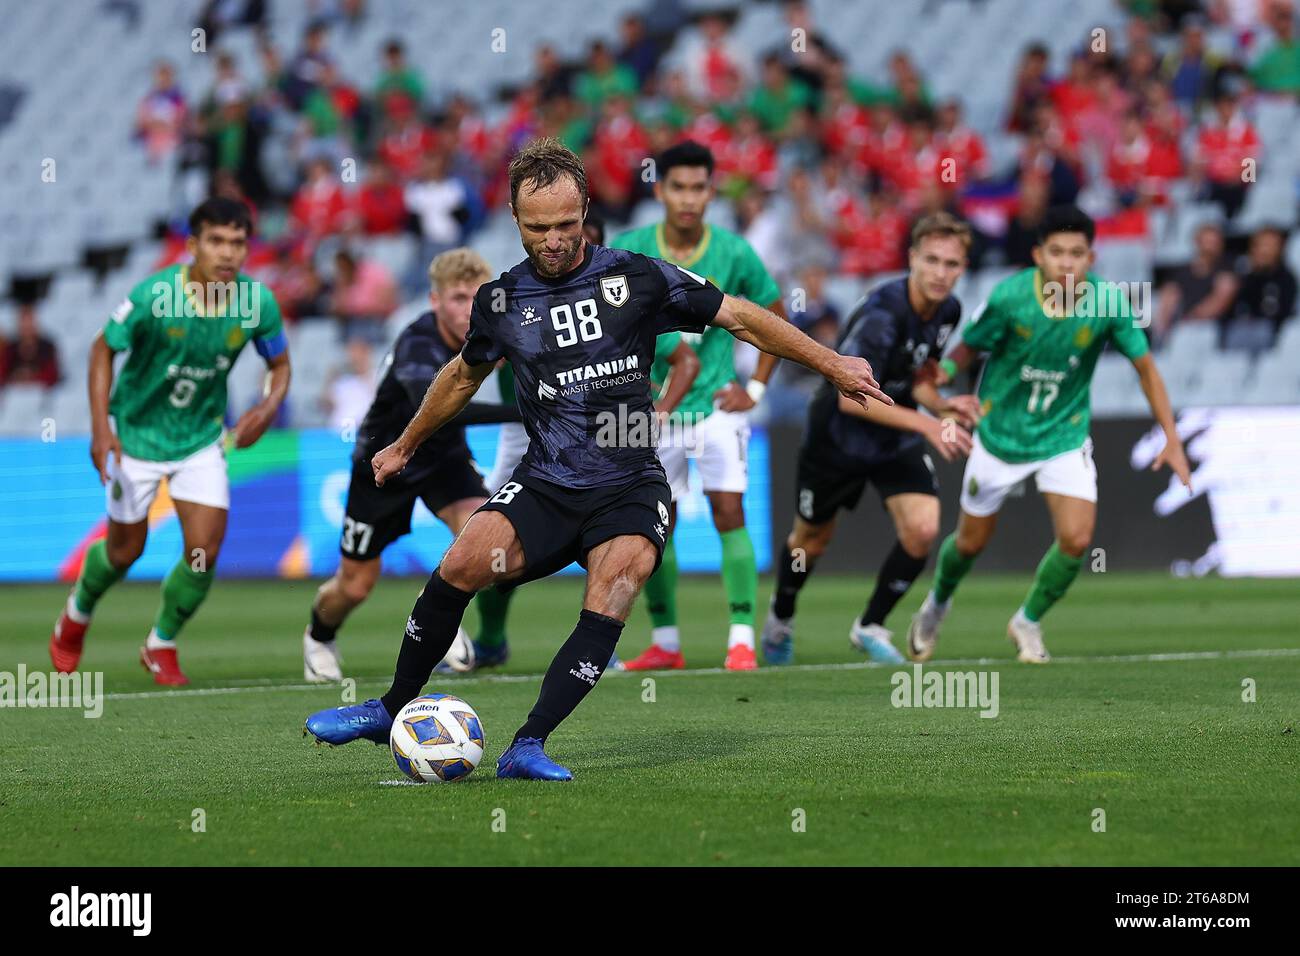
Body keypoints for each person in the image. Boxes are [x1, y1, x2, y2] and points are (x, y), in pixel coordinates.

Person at [303, 137, 888, 780]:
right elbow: (461, 379)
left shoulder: (637, 278)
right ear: (515, 220)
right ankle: (391, 706)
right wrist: (405, 444)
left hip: (629, 482)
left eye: (564, 224)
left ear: (584, 209)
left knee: (616, 583)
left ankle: (528, 743)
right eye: (536, 228)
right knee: (462, 563)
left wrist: (833, 364)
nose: (552, 240)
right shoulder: (500, 302)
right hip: (547, 482)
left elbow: (742, 317)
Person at [910, 207, 1191, 664]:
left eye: (1077, 254)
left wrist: (1172, 438)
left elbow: (1146, 370)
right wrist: (941, 373)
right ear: (1039, 254)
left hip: (1064, 434)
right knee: (969, 543)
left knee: (1077, 540)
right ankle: (937, 603)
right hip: (1000, 434)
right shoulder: (1010, 297)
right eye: (1057, 252)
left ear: (1091, 258)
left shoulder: (1109, 303)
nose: (1066, 263)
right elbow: (970, 344)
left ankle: (1028, 620)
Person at [49, 198, 291, 685]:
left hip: (200, 441)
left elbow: (279, 366)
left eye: (238, 243)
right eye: (217, 241)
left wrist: (266, 408)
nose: (228, 254)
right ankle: (77, 612)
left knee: (203, 552)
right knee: (123, 553)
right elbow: (102, 349)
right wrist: (102, 428)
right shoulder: (155, 295)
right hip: (136, 440)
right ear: (193, 245)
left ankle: (161, 641)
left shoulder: (257, 303)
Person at [461, 214, 702, 672]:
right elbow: (477, 364)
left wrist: (662, 410)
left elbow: (684, 358)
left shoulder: (622, 294)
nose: (558, 247)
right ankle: (491, 638)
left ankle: (621, 641)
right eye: (546, 235)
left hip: (609, 431)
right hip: (529, 432)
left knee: (623, 536)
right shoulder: (520, 298)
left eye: (575, 239)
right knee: (489, 543)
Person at [763, 214, 980, 664]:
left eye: (952, 264)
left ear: (962, 268)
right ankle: (781, 616)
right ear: (912, 259)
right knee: (811, 542)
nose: (942, 273)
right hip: (840, 437)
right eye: (933, 261)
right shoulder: (882, 314)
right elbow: (851, 398)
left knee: (922, 530)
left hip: (893, 435)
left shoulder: (948, 310)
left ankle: (870, 626)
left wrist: (940, 405)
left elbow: (915, 375)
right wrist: (929, 424)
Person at [302, 249, 522, 683]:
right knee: (356, 585)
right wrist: (523, 411)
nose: (467, 309)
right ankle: (318, 636)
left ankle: (438, 606)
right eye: (457, 298)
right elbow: (442, 406)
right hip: (384, 461)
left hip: (443, 457)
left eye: (475, 298)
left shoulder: (490, 330)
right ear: (435, 300)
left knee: (486, 534)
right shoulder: (416, 343)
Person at [609, 141, 788, 672]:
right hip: (649, 413)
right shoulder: (630, 246)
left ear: (712, 192)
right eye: (678, 187)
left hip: (714, 408)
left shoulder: (733, 252)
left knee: (728, 513)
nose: (688, 199)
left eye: (698, 188)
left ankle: (740, 639)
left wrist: (754, 389)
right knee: (653, 524)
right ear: (660, 189)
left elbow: (773, 313)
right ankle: (666, 642)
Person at [0, 305, 61, 388]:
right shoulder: (10, 349)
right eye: (23, 323)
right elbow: (2, 374)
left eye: (29, 322)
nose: (27, 327)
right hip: (14, 395)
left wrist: (32, 376)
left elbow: (54, 376)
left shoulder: (47, 347)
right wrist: (16, 377)